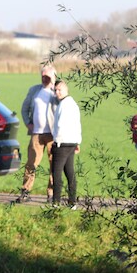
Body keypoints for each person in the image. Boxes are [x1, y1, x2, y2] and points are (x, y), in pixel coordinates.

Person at [17, 65, 57, 203]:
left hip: (53, 135)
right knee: (31, 164)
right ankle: (25, 191)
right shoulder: (34, 90)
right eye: (43, 76)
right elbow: (24, 108)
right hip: (36, 134)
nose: (44, 79)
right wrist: (28, 123)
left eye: (48, 77)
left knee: (54, 164)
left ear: (53, 77)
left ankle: (51, 194)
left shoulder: (57, 91)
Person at [49, 80, 82, 208]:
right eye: (55, 90)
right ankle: (72, 202)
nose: (57, 92)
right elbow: (77, 124)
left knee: (56, 173)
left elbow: (59, 125)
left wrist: (55, 142)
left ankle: (56, 202)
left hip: (62, 143)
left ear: (66, 90)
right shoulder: (73, 104)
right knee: (70, 172)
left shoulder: (63, 105)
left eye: (59, 90)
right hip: (72, 142)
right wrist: (78, 142)